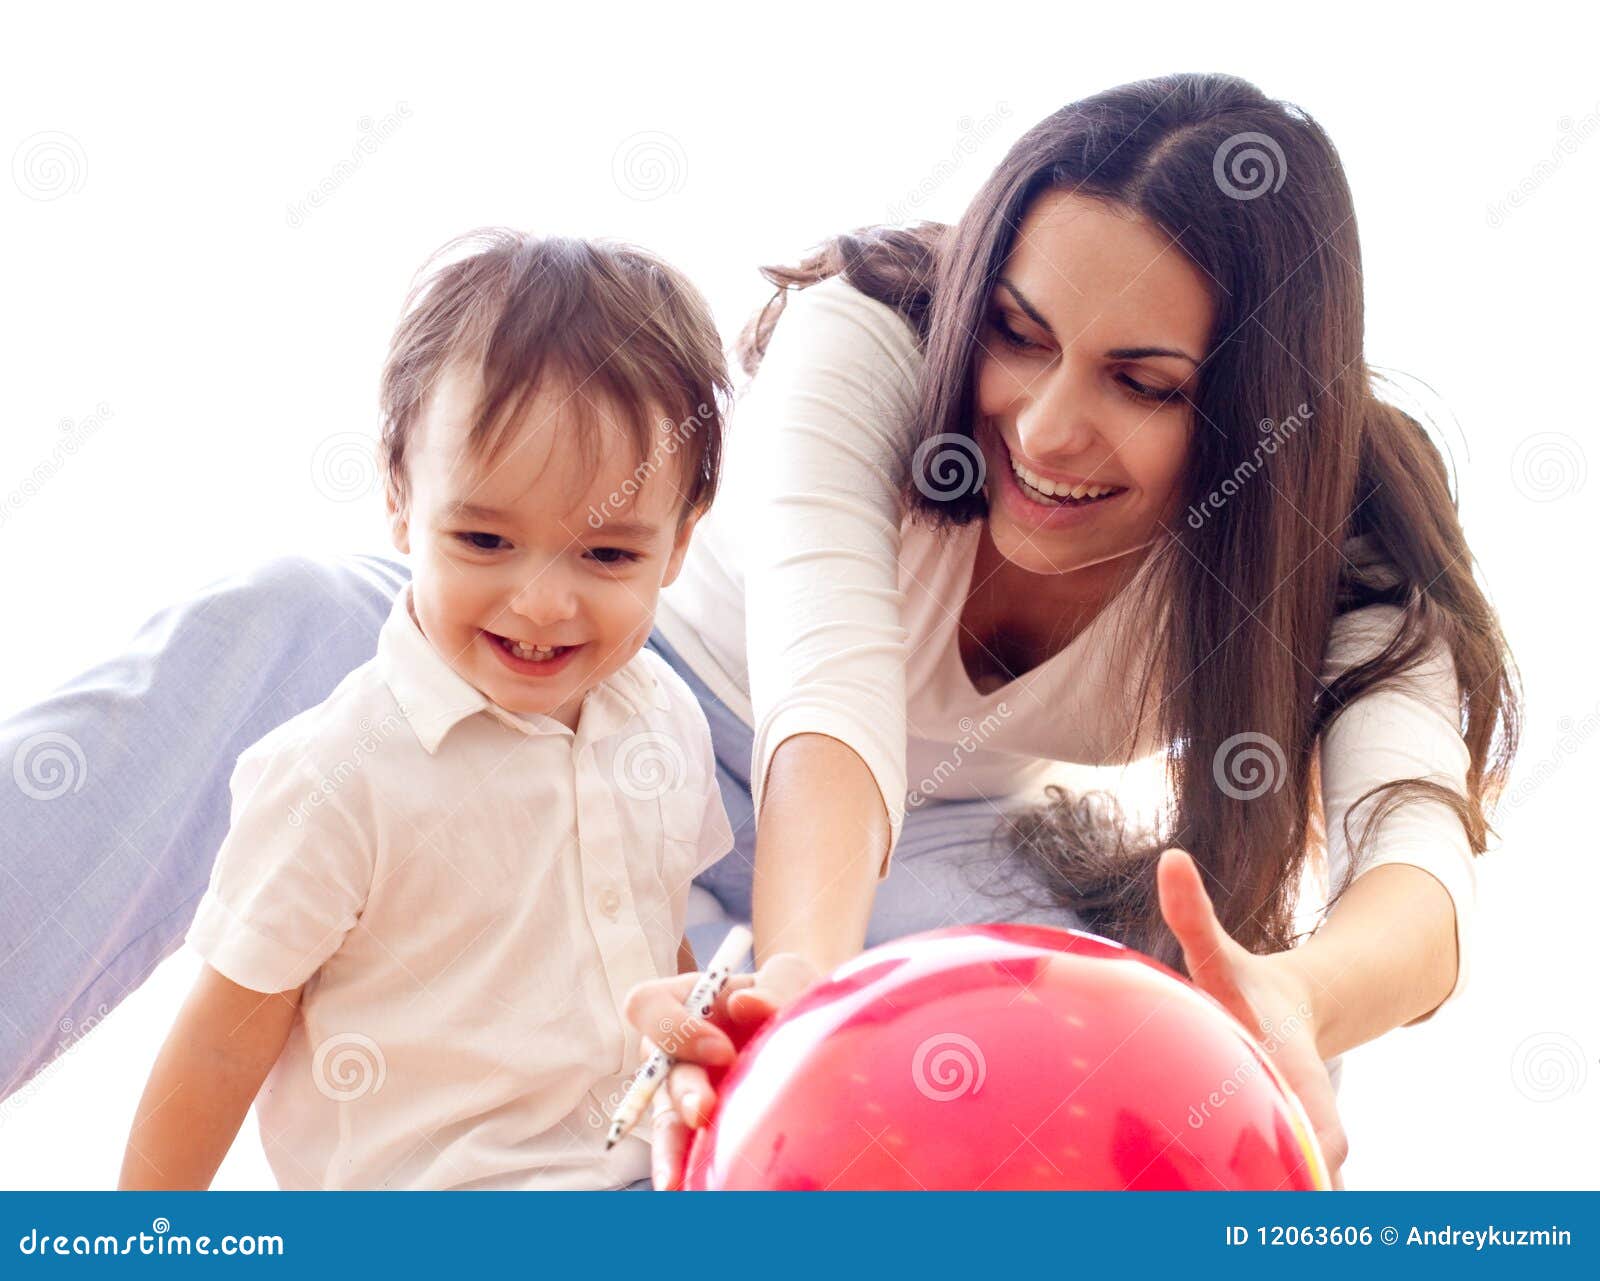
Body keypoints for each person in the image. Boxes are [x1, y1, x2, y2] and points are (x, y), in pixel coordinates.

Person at [2, 75, 1516, 1194]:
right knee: (286, 621)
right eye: (1021, 332)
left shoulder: (1349, 538)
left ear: (1257, 399)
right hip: (624, 698)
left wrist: (1296, 998)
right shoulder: (869, 332)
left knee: (1046, 994)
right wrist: (799, 971)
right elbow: (831, 699)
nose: (1049, 427)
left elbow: (1414, 859)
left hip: (940, 843)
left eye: (1149, 382)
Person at [116, 230, 736, 1190]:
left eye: (608, 555)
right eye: (485, 539)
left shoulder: (665, 719)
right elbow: (217, 1048)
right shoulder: (339, 774)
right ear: (402, 498)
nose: (540, 604)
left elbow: (660, 942)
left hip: (639, 1170)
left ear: (682, 543)